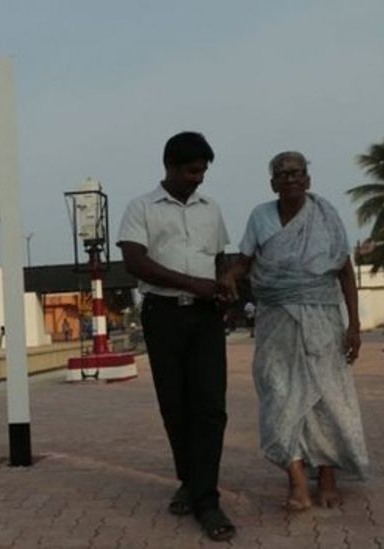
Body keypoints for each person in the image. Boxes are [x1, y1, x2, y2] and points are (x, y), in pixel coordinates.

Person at [220, 151, 369, 511]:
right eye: (282, 174)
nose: (290, 179)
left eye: (296, 173)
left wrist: (355, 325)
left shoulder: (326, 217)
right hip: (275, 322)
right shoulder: (260, 217)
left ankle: (328, 479)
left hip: (323, 321)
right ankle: (297, 482)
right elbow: (245, 263)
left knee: (324, 398)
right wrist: (228, 276)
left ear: (308, 179)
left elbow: (344, 271)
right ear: (272, 183)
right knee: (280, 396)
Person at [118, 131, 236, 542]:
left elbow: (219, 257)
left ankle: (206, 499)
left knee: (211, 407)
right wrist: (192, 284)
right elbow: (135, 262)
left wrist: (222, 286)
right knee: (176, 405)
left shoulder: (211, 209)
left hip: (205, 318)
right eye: (191, 171)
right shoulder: (141, 208)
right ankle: (190, 479)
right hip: (162, 315)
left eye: (203, 171)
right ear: (169, 167)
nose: (198, 178)